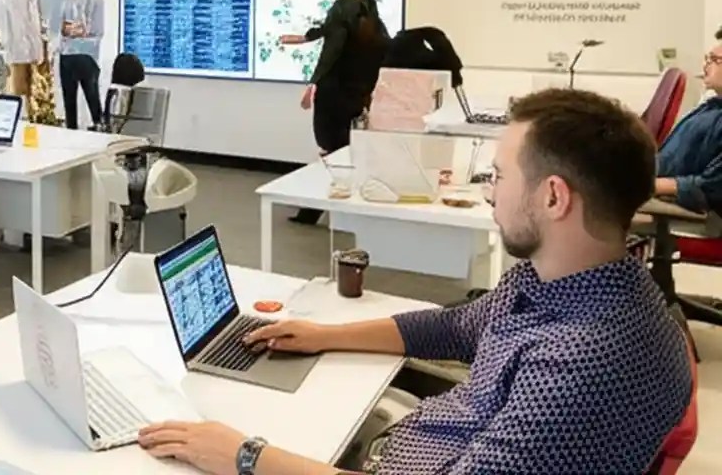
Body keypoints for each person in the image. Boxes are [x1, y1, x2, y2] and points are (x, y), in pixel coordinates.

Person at [139, 88, 692, 475]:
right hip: (414, 442)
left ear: (553, 197)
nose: (487, 193)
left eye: (497, 177)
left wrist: (246, 457)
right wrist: (320, 334)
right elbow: (454, 328)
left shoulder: (583, 365)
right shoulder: (565, 282)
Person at [281, 0, 388, 224]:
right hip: (357, 93)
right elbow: (336, 33)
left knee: (331, 147)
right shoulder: (368, 8)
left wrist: (313, 83)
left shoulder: (342, 7)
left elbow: (333, 47)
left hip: (335, 93)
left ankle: (317, 208)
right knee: (342, 148)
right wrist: (305, 37)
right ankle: (318, 207)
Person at [655, 36, 722, 214]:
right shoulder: (711, 106)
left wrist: (647, 185)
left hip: (682, 203)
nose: (706, 66)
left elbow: (711, 188)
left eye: (715, 60)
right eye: (707, 59)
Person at [57, 0, 105, 130]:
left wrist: (77, 31)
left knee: (92, 96)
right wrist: (68, 29)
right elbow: (56, 23)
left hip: (87, 56)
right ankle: (71, 131)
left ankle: (100, 127)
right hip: (66, 54)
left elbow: (96, 30)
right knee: (69, 100)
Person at [0, 0, 47, 99]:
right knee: (19, 97)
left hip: (38, 55)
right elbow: (4, 28)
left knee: (40, 98)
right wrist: (8, 53)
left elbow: (45, 23)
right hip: (17, 56)